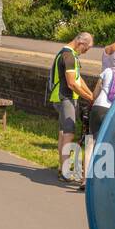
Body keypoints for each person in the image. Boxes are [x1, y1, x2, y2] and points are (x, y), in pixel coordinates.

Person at [47, 32, 95, 184]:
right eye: (87, 48)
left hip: (61, 97)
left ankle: (62, 168)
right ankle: (66, 172)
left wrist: (91, 95)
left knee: (63, 133)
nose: (86, 51)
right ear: (81, 43)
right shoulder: (69, 56)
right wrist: (88, 98)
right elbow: (72, 84)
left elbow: (78, 78)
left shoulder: (66, 53)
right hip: (65, 97)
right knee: (68, 134)